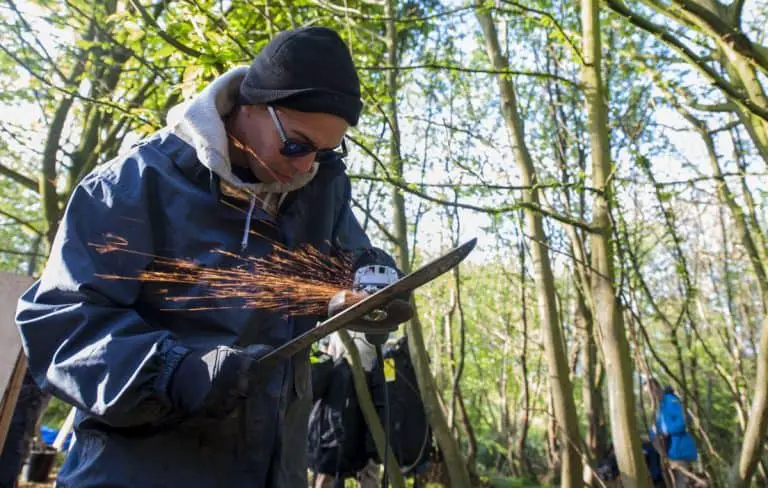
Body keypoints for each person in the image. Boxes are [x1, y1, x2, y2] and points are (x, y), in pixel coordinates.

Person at [15, 26, 410, 488]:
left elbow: (345, 260)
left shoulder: (322, 188)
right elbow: (60, 326)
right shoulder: (132, 185)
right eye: (297, 145)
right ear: (249, 106)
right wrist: (173, 371)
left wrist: (371, 280)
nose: (304, 165)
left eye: (325, 151)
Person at [308, 332, 381, 488]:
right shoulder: (336, 326)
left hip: (367, 400)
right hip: (338, 401)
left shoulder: (376, 324)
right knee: (329, 465)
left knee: (368, 467)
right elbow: (326, 361)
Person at [645, 379, 698, 487]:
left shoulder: (670, 401)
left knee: (681, 483)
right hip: (669, 452)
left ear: (658, 388)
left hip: (679, 451)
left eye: (651, 390)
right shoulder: (659, 407)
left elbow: (683, 421)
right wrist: (651, 435)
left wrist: (667, 431)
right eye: (647, 393)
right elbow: (657, 428)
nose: (650, 395)